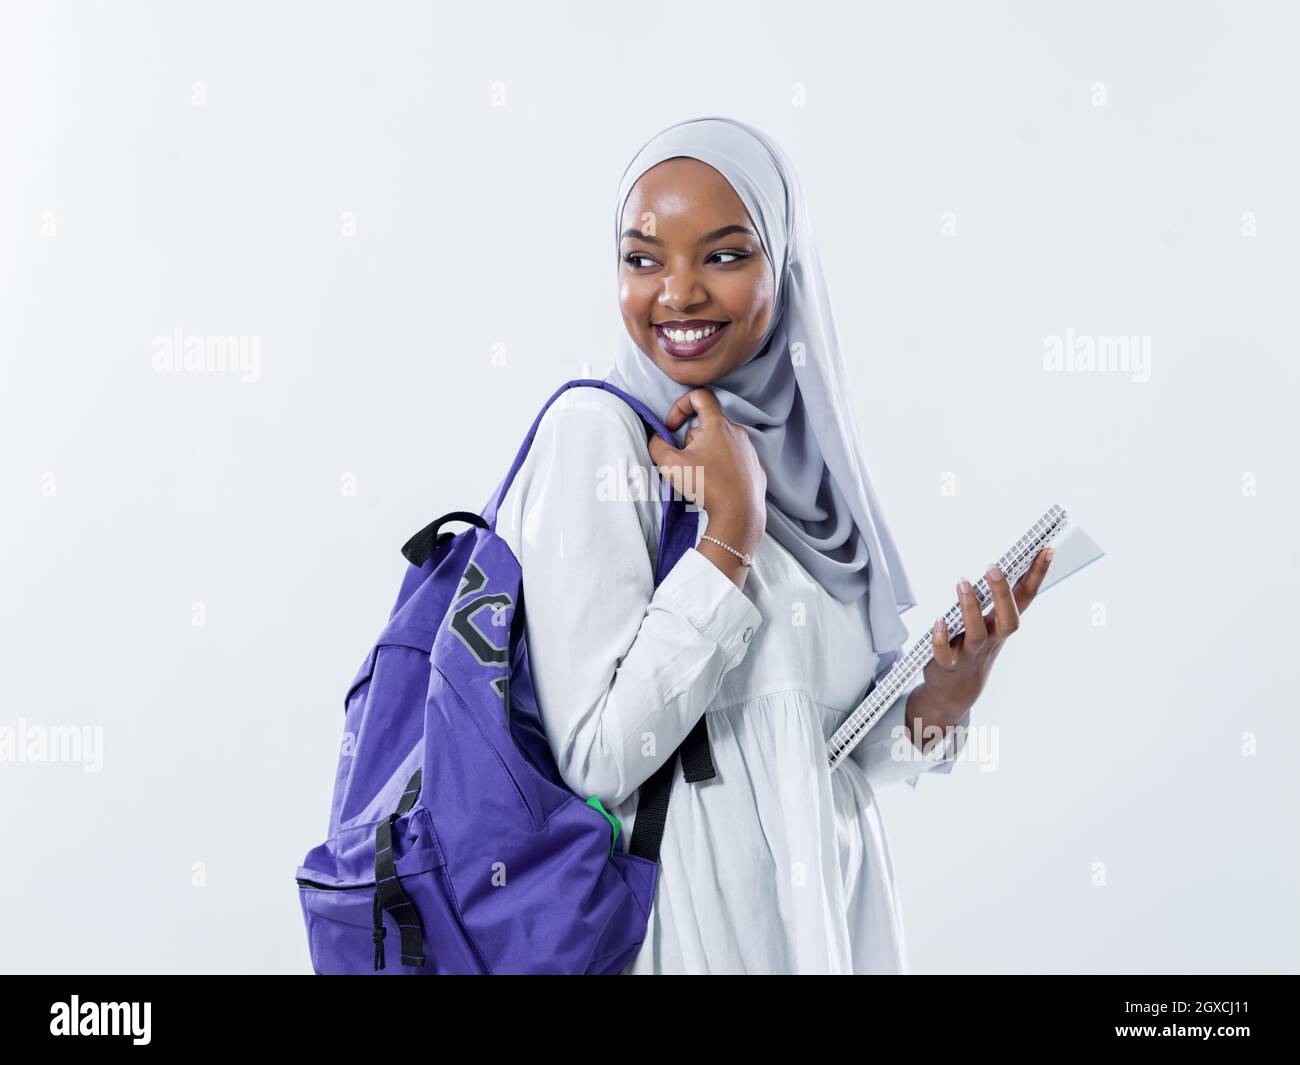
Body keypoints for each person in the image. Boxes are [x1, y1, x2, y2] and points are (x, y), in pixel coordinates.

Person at [493, 115, 1053, 974]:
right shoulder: (599, 439)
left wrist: (944, 698)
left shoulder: (809, 472)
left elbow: (826, 755)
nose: (677, 293)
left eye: (722, 254)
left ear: (784, 266)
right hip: (689, 932)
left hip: (825, 927)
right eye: (643, 259)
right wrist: (728, 536)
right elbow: (599, 758)